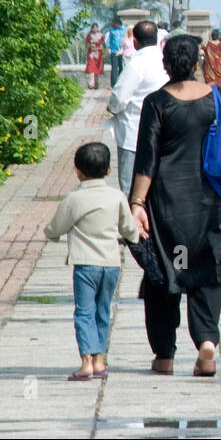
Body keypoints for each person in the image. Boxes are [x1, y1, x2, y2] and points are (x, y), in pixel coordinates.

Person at [128, 35, 221, 377]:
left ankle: (164, 355)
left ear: (166, 65)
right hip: (214, 203)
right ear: (197, 62)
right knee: (208, 272)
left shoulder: (156, 103)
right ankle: (207, 343)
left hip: (168, 206)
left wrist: (137, 203)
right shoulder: (219, 99)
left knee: (165, 274)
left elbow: (147, 161)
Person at [44, 142, 141, 381]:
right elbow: (129, 229)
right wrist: (137, 235)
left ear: (77, 170)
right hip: (111, 264)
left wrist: (53, 234)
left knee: (84, 312)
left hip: (86, 265)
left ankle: (86, 361)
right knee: (103, 310)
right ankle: (100, 360)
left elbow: (55, 228)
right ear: (109, 170)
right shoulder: (117, 196)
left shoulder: (74, 199)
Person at [107, 21, 169, 197]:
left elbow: (119, 97)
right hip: (162, 131)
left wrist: (112, 108)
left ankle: (132, 221)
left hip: (134, 130)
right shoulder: (164, 61)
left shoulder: (137, 64)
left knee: (129, 186)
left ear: (134, 41)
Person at [105, 17, 125, 87]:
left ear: (118, 23)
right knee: (114, 68)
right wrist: (108, 49)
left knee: (121, 67)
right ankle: (114, 83)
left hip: (122, 51)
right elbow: (109, 41)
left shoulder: (124, 29)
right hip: (114, 51)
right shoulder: (111, 31)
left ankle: (121, 81)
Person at [84, 23, 105, 90]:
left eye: (96, 27)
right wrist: (91, 46)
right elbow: (86, 45)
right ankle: (91, 84)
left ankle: (96, 84)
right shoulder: (89, 36)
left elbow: (102, 47)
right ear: (91, 28)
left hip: (98, 55)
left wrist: (97, 48)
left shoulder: (101, 36)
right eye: (94, 28)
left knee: (97, 70)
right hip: (91, 55)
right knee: (91, 69)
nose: (95, 29)